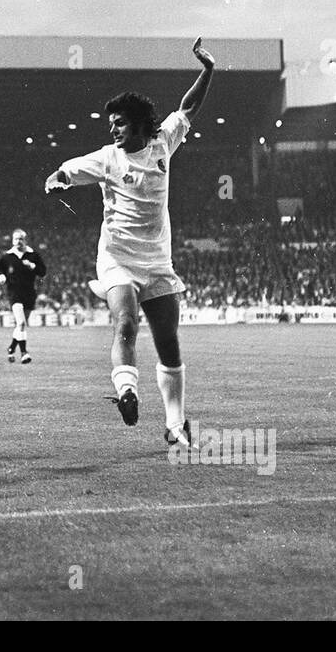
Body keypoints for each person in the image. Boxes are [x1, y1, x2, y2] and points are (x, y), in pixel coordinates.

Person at [44, 36, 215, 446]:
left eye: (119, 123)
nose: (113, 130)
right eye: (111, 125)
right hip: (117, 257)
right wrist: (55, 180)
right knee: (125, 322)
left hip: (157, 262)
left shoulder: (162, 144)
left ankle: (175, 425)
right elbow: (65, 172)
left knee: (168, 341)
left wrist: (208, 70)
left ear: (139, 123)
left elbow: (186, 108)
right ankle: (127, 391)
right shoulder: (106, 158)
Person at [0, 228, 46, 363]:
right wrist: (1, 277)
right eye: (16, 239)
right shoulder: (7, 257)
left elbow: (43, 272)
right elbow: (1, 270)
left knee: (21, 325)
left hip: (29, 293)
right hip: (14, 293)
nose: (18, 241)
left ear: (25, 240)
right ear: (12, 240)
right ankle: (24, 353)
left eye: (21, 239)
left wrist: (32, 266)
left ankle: (11, 348)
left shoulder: (33, 255)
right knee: (21, 322)